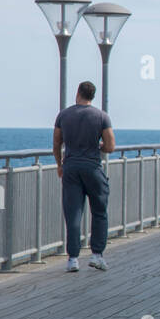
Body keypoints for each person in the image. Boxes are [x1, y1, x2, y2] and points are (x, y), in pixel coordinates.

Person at [53, 80, 115, 272]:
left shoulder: (63, 115)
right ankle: (97, 255)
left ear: (78, 92)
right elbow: (110, 146)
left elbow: (56, 143)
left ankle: (72, 258)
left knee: (73, 214)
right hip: (92, 167)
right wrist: (99, 147)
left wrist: (59, 164)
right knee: (99, 211)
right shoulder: (101, 116)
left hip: (71, 168)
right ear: (93, 96)